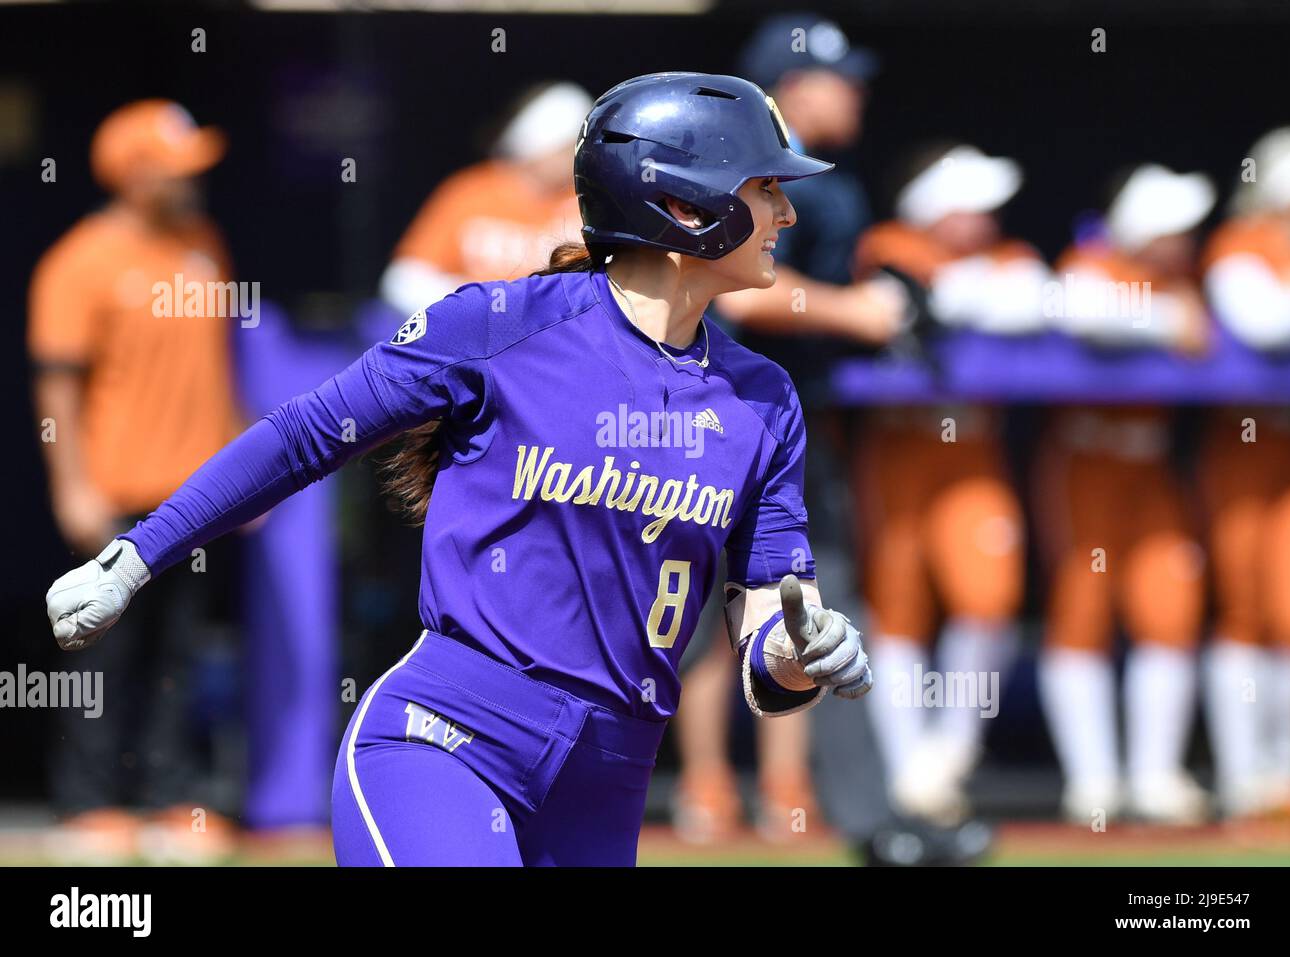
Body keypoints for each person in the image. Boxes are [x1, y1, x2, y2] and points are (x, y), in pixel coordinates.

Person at [44, 73, 872, 867]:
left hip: (608, 780)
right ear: (687, 205)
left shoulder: (764, 398)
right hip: (446, 742)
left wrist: (802, 655)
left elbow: (766, 632)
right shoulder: (499, 326)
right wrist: (139, 554)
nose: (788, 211)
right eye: (767, 188)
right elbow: (303, 437)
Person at [674, 12, 903, 848]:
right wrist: (858, 313)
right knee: (695, 616)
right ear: (796, 86)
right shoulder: (718, 162)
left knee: (798, 604)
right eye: (843, 78)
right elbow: (736, 287)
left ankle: (786, 789)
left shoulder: (833, 186)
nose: (858, 93)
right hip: (699, 417)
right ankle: (705, 788)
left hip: (781, 419)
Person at [29, 99, 242, 862]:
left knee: (183, 654)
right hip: (117, 490)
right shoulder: (80, 260)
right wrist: (73, 485)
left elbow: (217, 370)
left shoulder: (203, 245)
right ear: (136, 175)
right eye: (176, 169)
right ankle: (89, 805)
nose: (192, 183)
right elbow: (57, 385)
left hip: (196, 496)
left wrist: (241, 467)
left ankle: (170, 798)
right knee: (103, 652)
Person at [850, 143, 1042, 824]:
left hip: (972, 449)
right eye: (972, 205)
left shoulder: (1007, 257)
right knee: (897, 607)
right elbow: (896, 302)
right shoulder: (888, 243)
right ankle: (907, 771)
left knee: (990, 594)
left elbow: (1030, 301)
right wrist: (952, 297)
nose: (988, 219)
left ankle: (950, 748)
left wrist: (961, 297)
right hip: (899, 447)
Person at [1037, 164, 1214, 825]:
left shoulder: (1186, 280)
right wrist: (1169, 321)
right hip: (1085, 461)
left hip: (1151, 467)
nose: (1185, 240)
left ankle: (1154, 777)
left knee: (1171, 609)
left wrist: (1177, 309)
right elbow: (1081, 313)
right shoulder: (1092, 265)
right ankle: (1094, 782)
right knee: (1083, 609)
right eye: (1173, 226)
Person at [1198, 128, 1290, 817]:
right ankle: (1245, 780)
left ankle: (1288, 777)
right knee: (1244, 605)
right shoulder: (1241, 243)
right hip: (1247, 444)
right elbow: (1262, 320)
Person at [378, 81, 592, 316]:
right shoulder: (471, 192)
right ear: (534, 144)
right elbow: (404, 279)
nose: (572, 157)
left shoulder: (587, 199)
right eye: (563, 148)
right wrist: (475, 307)